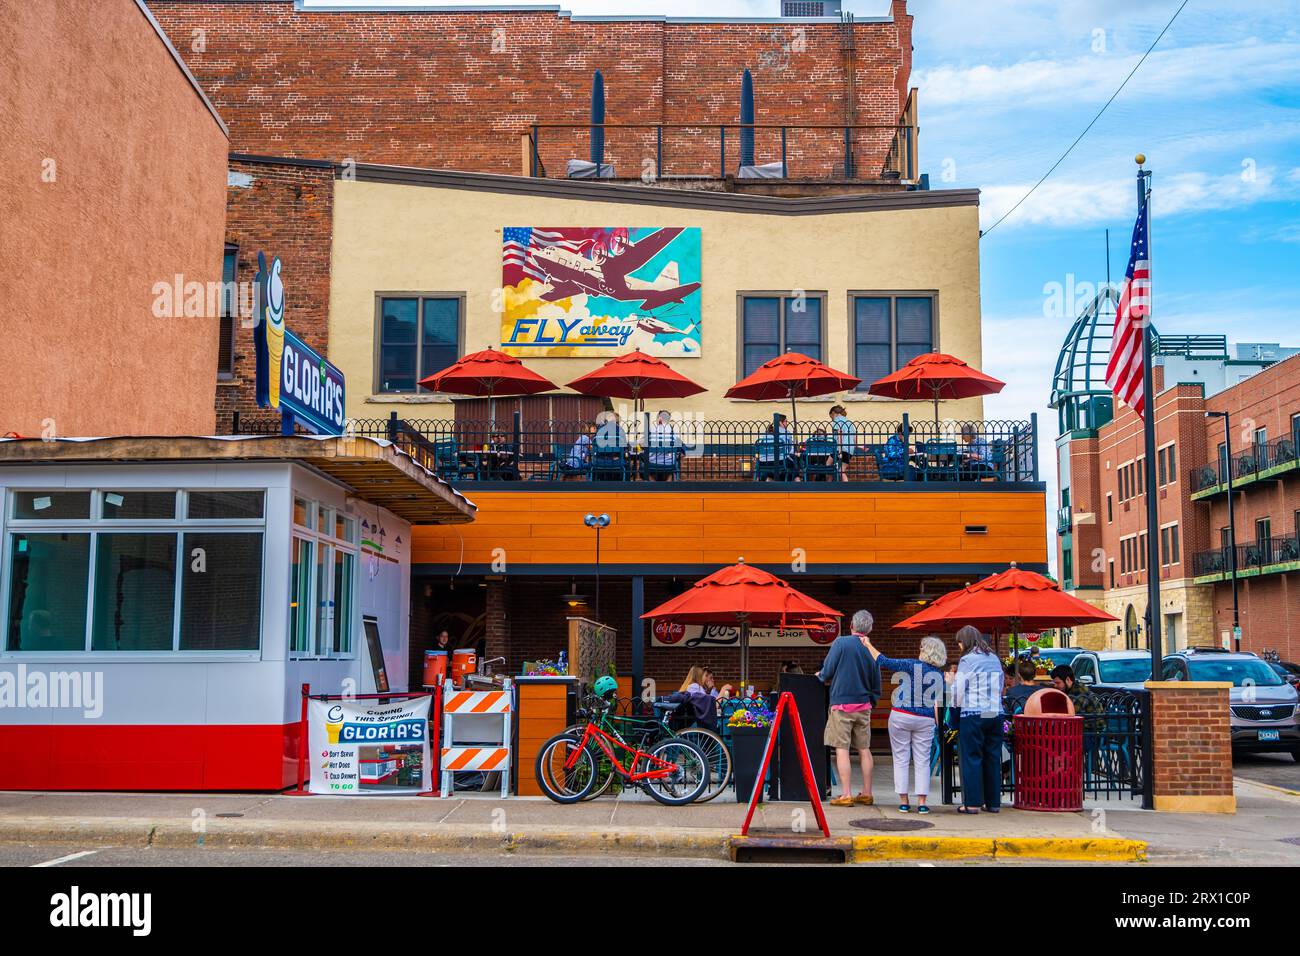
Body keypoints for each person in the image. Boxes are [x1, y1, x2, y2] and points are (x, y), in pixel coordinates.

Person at [863, 634, 947, 814]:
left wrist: (869, 644)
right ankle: (922, 802)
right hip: (926, 719)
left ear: (927, 652)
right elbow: (938, 703)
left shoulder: (911, 665)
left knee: (901, 758)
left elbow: (883, 660)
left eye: (922, 648)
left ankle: (903, 801)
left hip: (901, 715)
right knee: (922, 760)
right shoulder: (939, 675)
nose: (920, 650)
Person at [816, 609, 881, 807]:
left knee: (841, 749)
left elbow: (827, 671)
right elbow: (876, 681)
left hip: (842, 705)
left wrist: (820, 676)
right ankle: (867, 793)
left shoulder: (841, 643)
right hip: (864, 705)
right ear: (869, 628)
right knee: (864, 749)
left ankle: (846, 794)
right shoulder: (871, 649)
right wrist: (872, 701)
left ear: (851, 625)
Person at [951, 625, 1004, 814]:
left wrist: (953, 707)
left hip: (973, 713)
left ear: (964, 641)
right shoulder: (994, 658)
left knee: (971, 757)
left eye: (959, 642)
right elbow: (1001, 682)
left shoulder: (967, 660)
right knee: (992, 758)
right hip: (995, 712)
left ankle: (972, 803)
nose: (958, 646)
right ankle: (993, 803)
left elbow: (958, 690)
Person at [647, 410, 682, 479]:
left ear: (660, 418)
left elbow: (644, 445)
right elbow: (678, 447)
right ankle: (673, 484)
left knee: (643, 462)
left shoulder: (652, 430)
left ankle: (650, 485)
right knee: (677, 460)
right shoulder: (672, 431)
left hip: (653, 462)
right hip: (669, 462)